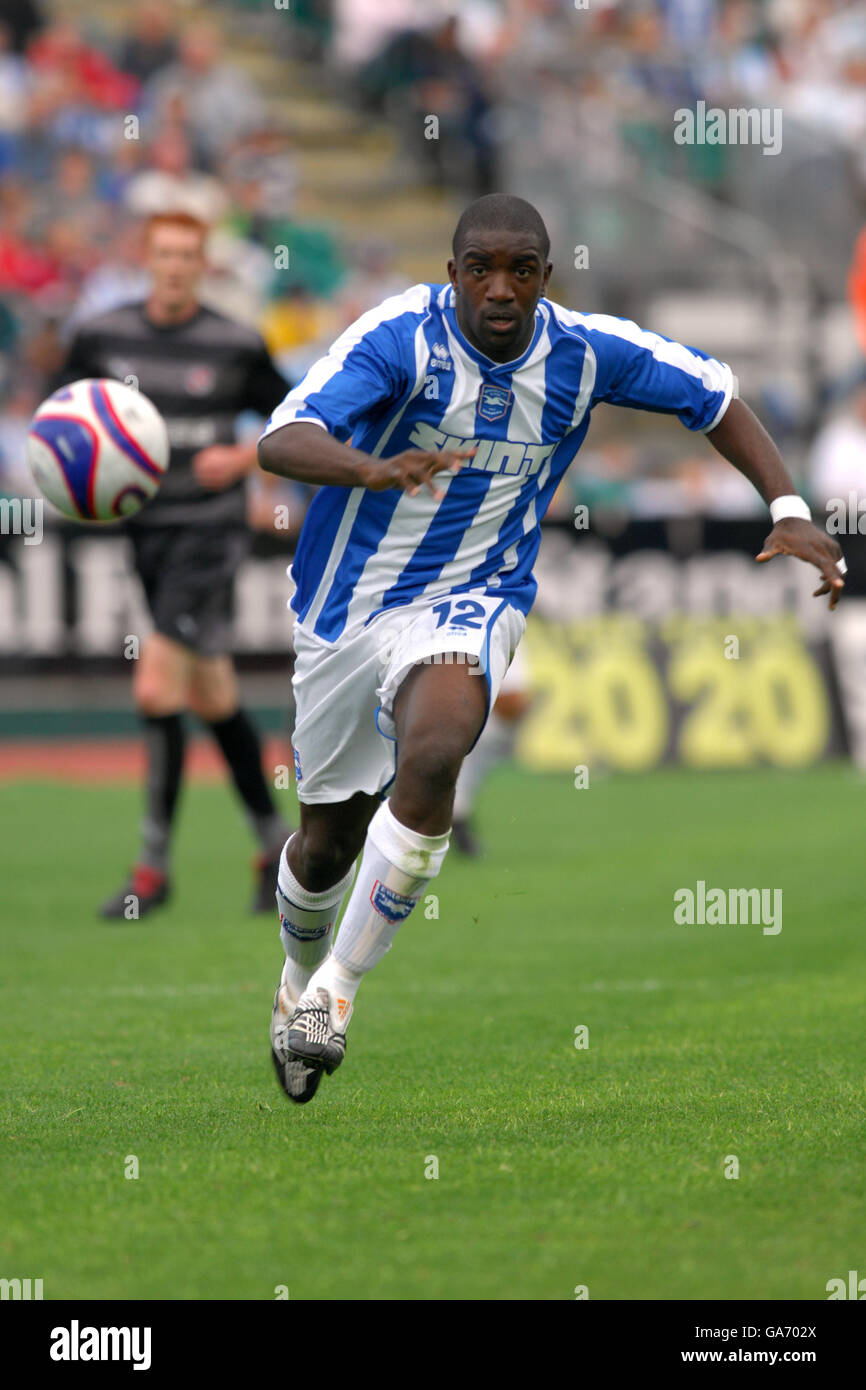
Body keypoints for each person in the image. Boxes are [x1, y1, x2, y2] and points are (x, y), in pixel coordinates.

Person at [257, 192, 845, 1106]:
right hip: (344, 610)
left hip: (472, 598)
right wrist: (371, 467)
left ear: (544, 276)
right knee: (325, 843)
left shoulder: (584, 352)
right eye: (481, 269)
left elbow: (715, 395)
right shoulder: (397, 338)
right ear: (451, 274)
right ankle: (296, 982)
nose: (501, 288)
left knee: (440, 746)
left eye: (520, 270)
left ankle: (334, 994)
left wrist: (789, 509)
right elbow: (283, 440)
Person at [57, 211, 293, 918]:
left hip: (211, 532)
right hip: (146, 533)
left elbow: (297, 418)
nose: (175, 265)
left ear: (202, 263)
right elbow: (63, 418)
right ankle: (275, 846)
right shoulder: (102, 336)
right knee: (213, 697)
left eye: (188, 254)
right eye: (163, 252)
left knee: (158, 688)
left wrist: (245, 456)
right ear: (145, 256)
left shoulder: (234, 342)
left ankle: (151, 873)